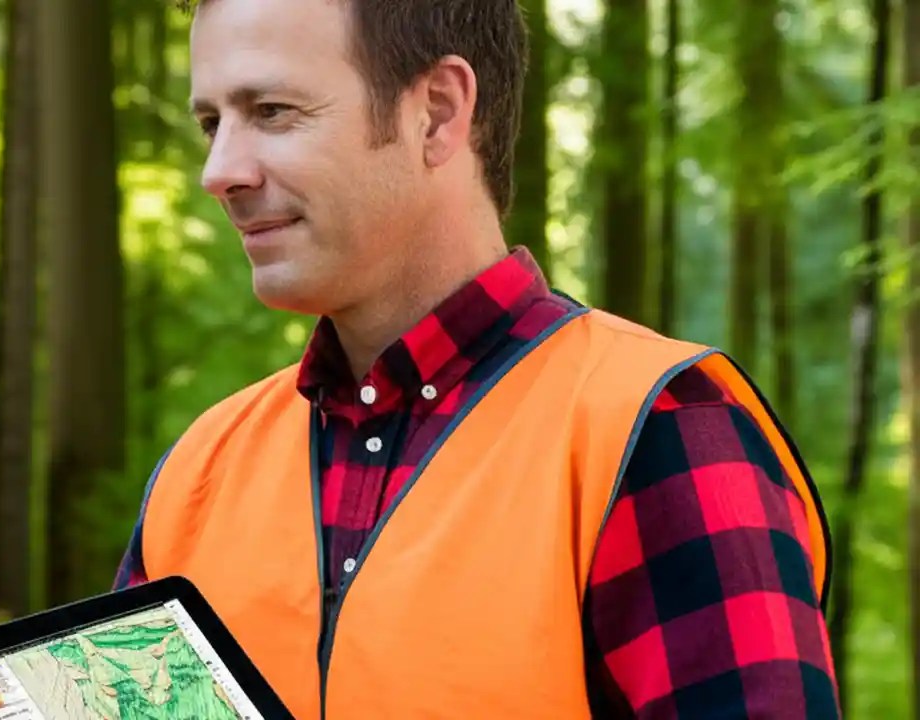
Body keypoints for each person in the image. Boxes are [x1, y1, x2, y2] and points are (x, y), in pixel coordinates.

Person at [112, 0, 840, 717]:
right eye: (212, 123)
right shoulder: (198, 472)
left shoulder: (655, 429)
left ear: (435, 111)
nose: (219, 170)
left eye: (271, 110)